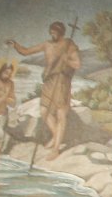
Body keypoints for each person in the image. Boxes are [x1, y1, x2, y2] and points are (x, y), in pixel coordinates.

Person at [6, 22, 82, 154]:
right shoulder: (47, 44)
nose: (53, 34)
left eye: (55, 32)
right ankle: (56, 136)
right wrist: (15, 45)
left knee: (60, 113)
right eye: (51, 32)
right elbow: (26, 51)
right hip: (48, 81)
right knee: (44, 111)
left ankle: (56, 149)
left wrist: (66, 60)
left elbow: (77, 64)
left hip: (61, 81)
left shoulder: (68, 44)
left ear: (61, 32)